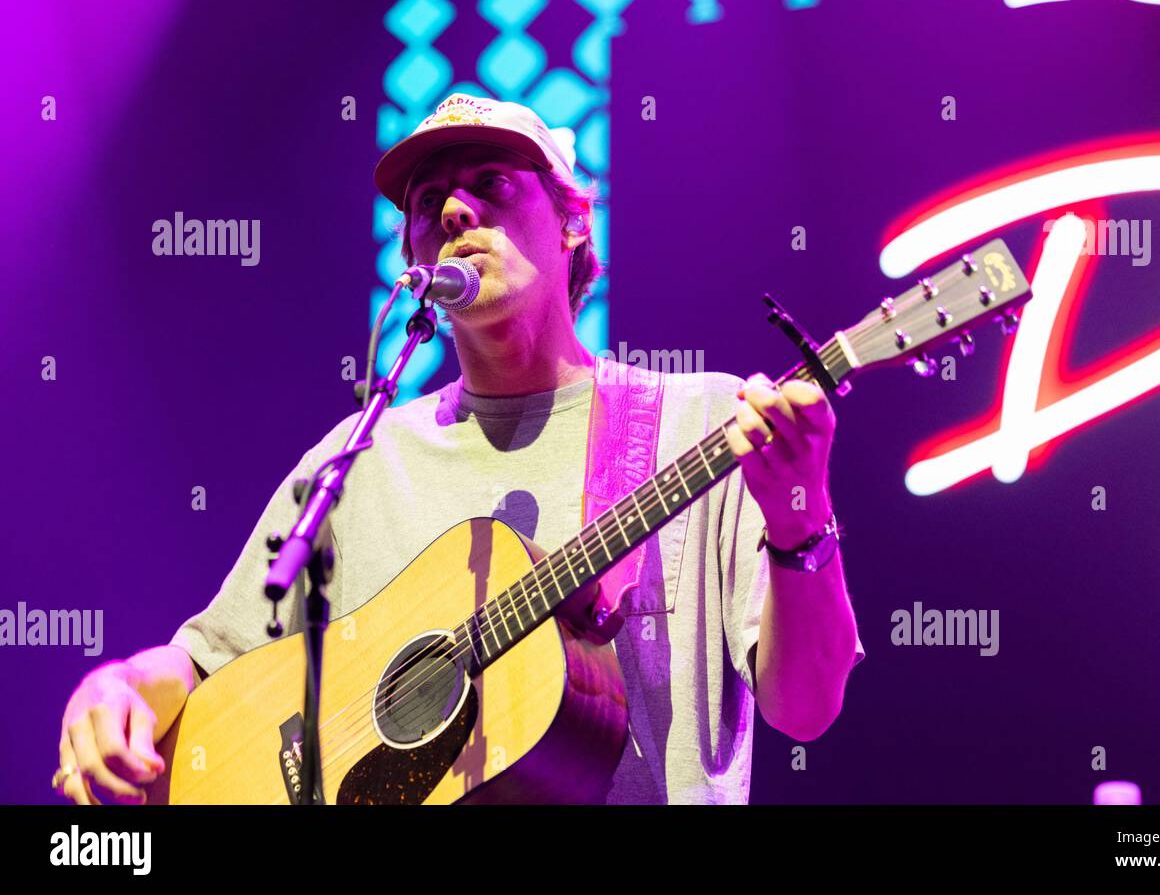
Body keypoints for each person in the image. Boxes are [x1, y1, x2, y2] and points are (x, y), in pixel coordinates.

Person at [53, 93, 865, 805]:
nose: (452, 212)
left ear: (574, 223)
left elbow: (806, 706)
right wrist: (116, 683)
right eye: (429, 200)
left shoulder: (703, 422)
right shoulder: (357, 460)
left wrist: (802, 513)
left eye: (492, 185)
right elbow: (204, 666)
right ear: (412, 260)